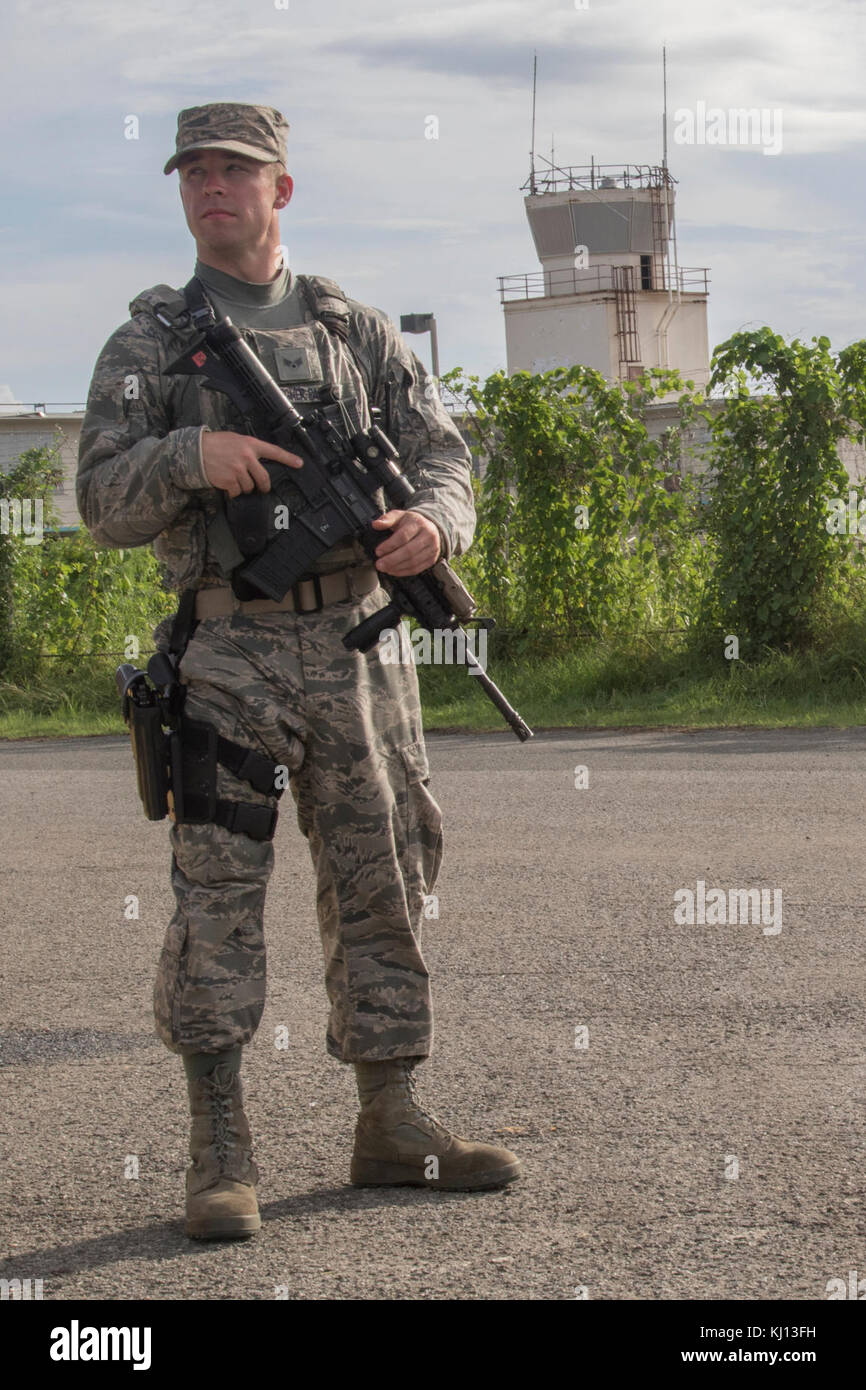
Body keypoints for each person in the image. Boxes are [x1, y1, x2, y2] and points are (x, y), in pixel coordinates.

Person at [77, 102, 522, 1240]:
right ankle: (219, 1151)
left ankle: (391, 1118)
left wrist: (432, 524)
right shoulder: (149, 344)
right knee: (216, 893)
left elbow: (443, 455)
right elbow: (98, 501)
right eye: (194, 173)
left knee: (385, 874)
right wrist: (192, 453)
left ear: (283, 189)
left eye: (236, 170)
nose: (211, 187)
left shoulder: (353, 330)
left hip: (361, 648)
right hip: (228, 649)